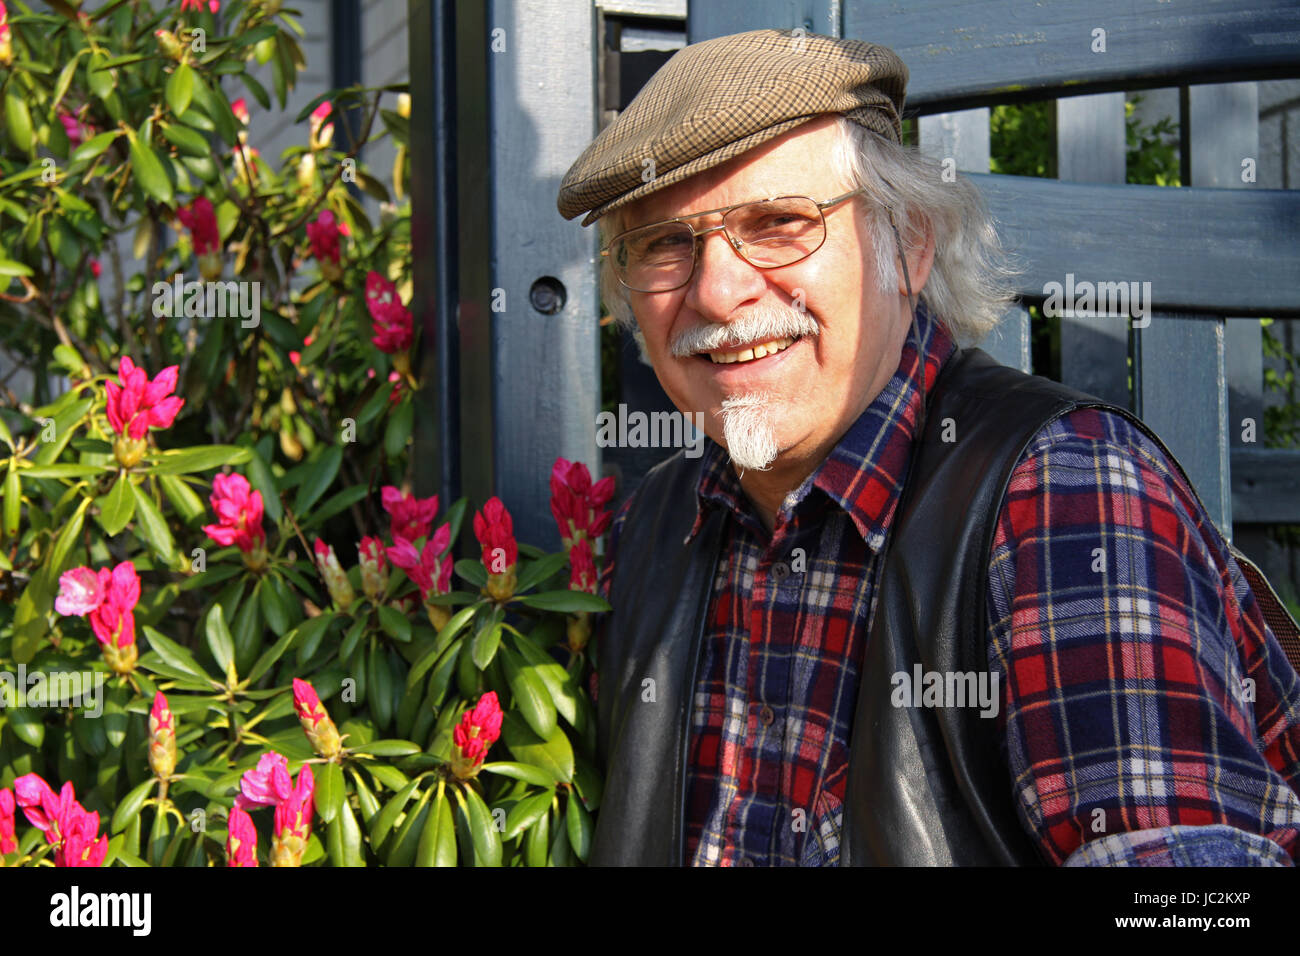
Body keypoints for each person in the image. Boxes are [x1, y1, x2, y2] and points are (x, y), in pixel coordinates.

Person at [556, 28, 1300, 866]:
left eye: (779, 222)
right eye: (665, 243)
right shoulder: (651, 526)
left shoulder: (1065, 489)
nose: (719, 291)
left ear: (907, 243)